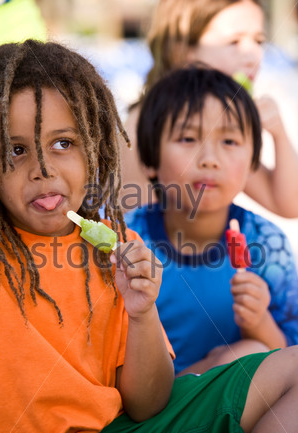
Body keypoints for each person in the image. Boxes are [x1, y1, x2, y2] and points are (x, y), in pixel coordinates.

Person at [0, 40, 298, 433]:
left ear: (95, 150)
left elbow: (147, 404)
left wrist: (142, 314)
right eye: (16, 150)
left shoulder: (123, 245)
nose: (44, 169)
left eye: (63, 143)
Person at [125, 65, 298, 376]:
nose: (209, 158)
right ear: (151, 160)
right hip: (143, 408)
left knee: (254, 351)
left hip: (229, 406)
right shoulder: (126, 239)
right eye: (188, 138)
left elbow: (290, 360)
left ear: (252, 163)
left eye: (229, 141)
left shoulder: (266, 242)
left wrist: (259, 322)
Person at [120, 0, 298, 220]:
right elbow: (131, 234)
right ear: (182, 48)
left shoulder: (221, 122)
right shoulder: (145, 124)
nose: (254, 57)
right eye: (234, 41)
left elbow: (291, 205)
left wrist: (278, 133)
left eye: (259, 41)